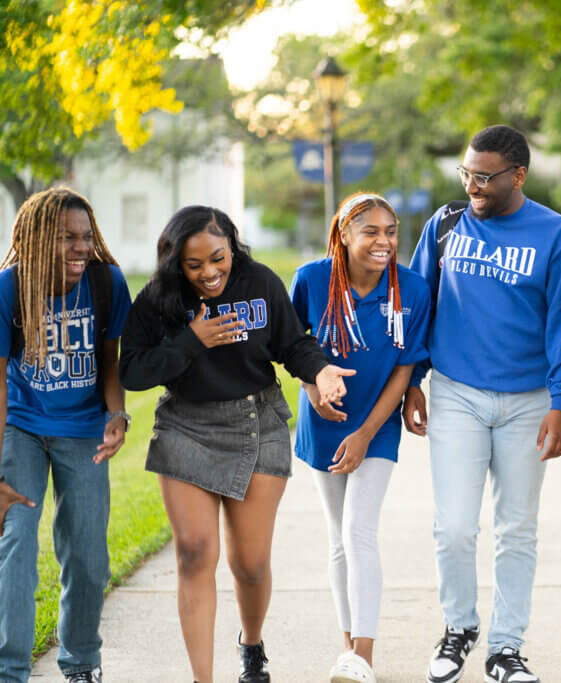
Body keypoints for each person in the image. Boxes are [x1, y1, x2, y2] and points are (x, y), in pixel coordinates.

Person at [117, 206, 354, 683]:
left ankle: (251, 643)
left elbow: (292, 344)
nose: (209, 272)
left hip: (256, 422)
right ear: (176, 264)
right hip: (186, 426)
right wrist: (192, 341)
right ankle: (202, 678)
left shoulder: (260, 283)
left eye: (217, 258)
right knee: (194, 554)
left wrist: (321, 370)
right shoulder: (159, 297)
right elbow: (134, 371)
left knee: (249, 563)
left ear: (232, 245)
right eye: (195, 265)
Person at [402, 124, 561, 683]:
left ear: (519, 176)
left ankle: (506, 648)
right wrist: (413, 378)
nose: (473, 187)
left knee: (516, 527)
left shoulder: (559, 236)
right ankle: (459, 628)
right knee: (455, 526)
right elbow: (419, 301)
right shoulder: (445, 225)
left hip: (529, 401)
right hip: (457, 393)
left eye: (484, 178)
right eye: (467, 175)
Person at [289, 193, 430, 683]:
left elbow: (407, 365)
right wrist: (313, 388)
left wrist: (367, 432)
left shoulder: (411, 289)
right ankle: (347, 649)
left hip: (378, 423)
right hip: (323, 422)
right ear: (343, 234)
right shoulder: (311, 280)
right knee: (337, 538)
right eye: (370, 231)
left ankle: (364, 657)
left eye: (390, 231)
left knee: (358, 530)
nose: (383, 241)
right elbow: (293, 346)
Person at [0, 188, 132, 683]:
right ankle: (9, 670)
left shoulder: (105, 282)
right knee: (15, 542)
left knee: (87, 553)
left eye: (86, 236)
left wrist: (117, 415)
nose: (82, 247)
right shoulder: (8, 288)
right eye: (66, 238)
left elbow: (110, 360)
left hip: (84, 430)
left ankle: (81, 663)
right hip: (21, 426)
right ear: (35, 240)